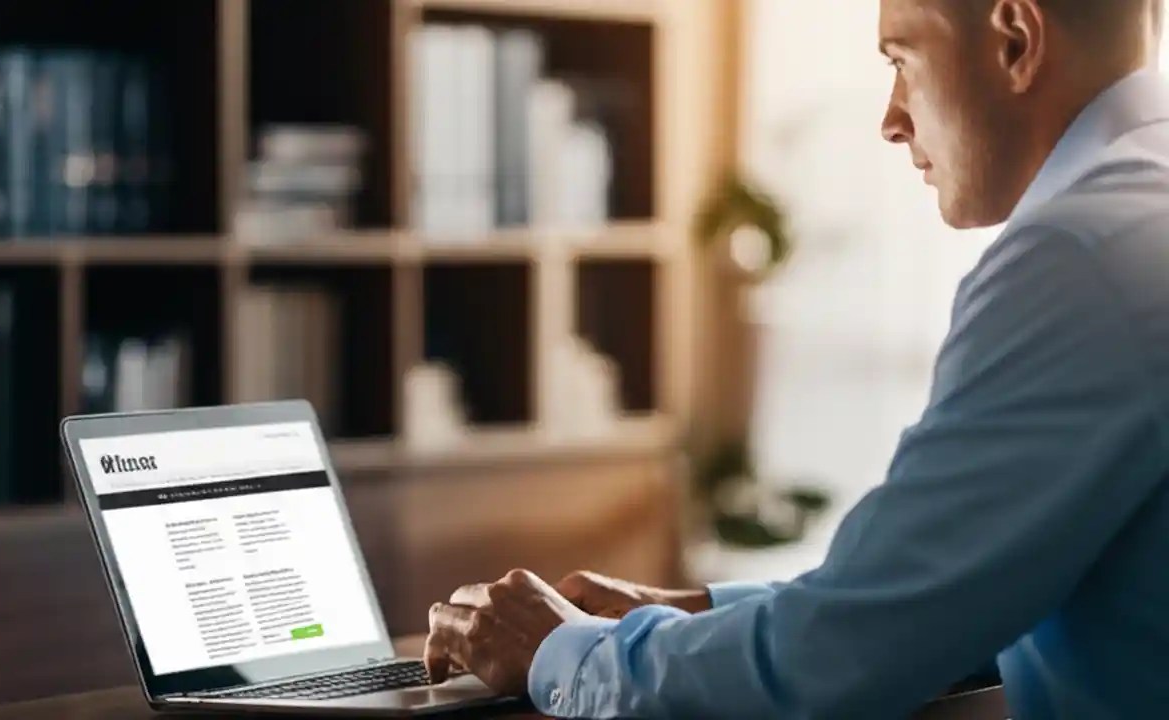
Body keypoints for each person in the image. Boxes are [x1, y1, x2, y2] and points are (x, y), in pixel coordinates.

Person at [424, 0, 1169, 717]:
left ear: (1015, 40)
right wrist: (695, 611)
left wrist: (563, 652)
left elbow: (844, 657)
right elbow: (960, 599)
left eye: (902, 61)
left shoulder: (1075, 259)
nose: (892, 118)